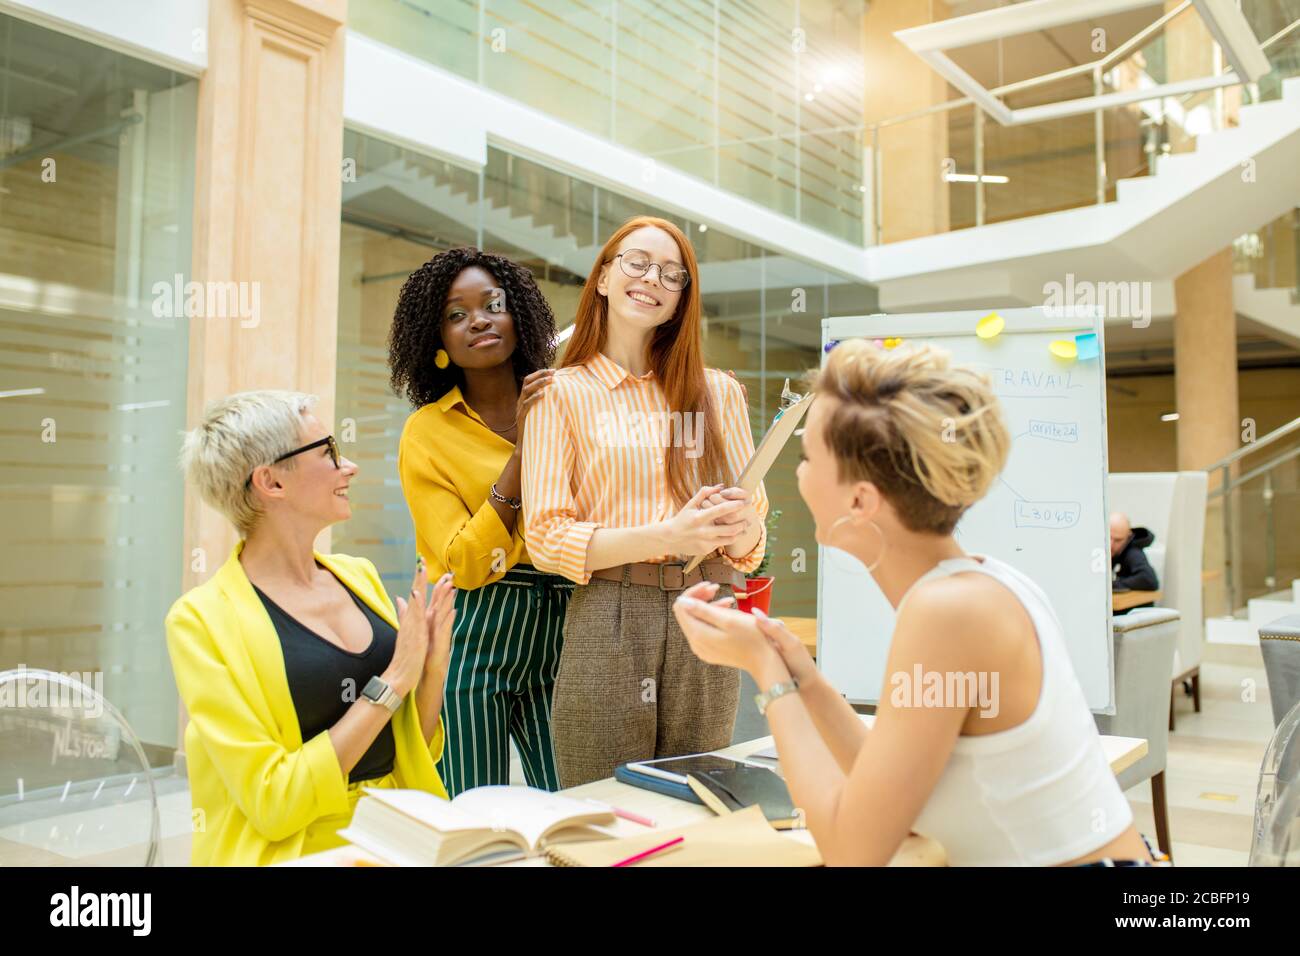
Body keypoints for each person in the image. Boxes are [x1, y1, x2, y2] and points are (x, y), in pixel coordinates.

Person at [672, 339, 1166, 866]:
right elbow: (886, 790)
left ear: (860, 501)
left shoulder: (949, 613)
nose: (796, 474)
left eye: (806, 457)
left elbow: (853, 852)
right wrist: (802, 675)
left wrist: (765, 670)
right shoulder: (976, 584)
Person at [521, 215, 768, 788]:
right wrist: (669, 536)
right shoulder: (558, 394)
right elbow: (547, 538)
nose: (652, 279)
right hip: (608, 612)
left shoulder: (719, 393)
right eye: (637, 262)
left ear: (683, 298)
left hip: (709, 604)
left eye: (672, 274)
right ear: (604, 277)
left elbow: (753, 547)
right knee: (601, 803)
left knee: (701, 796)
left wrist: (736, 527)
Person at [165, 390, 455, 866]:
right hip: (296, 852)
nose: (350, 467)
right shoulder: (199, 622)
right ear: (271, 482)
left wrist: (430, 670)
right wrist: (396, 680)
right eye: (328, 452)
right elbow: (273, 803)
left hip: (393, 833)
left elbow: (409, 748)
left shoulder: (357, 574)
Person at [389, 247, 568, 796]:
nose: (479, 320)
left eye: (493, 304)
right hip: (474, 630)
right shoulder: (427, 432)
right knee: (472, 810)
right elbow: (465, 562)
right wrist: (521, 454)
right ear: (436, 341)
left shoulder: (566, 405)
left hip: (566, 620)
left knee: (575, 800)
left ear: (521, 316)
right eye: (456, 314)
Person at [1110, 512, 1159, 612]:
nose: (1111, 544)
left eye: (1118, 540)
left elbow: (1149, 580)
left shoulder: (1133, 553)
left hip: (1130, 612)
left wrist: (1114, 584)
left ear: (1128, 536)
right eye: (1109, 537)